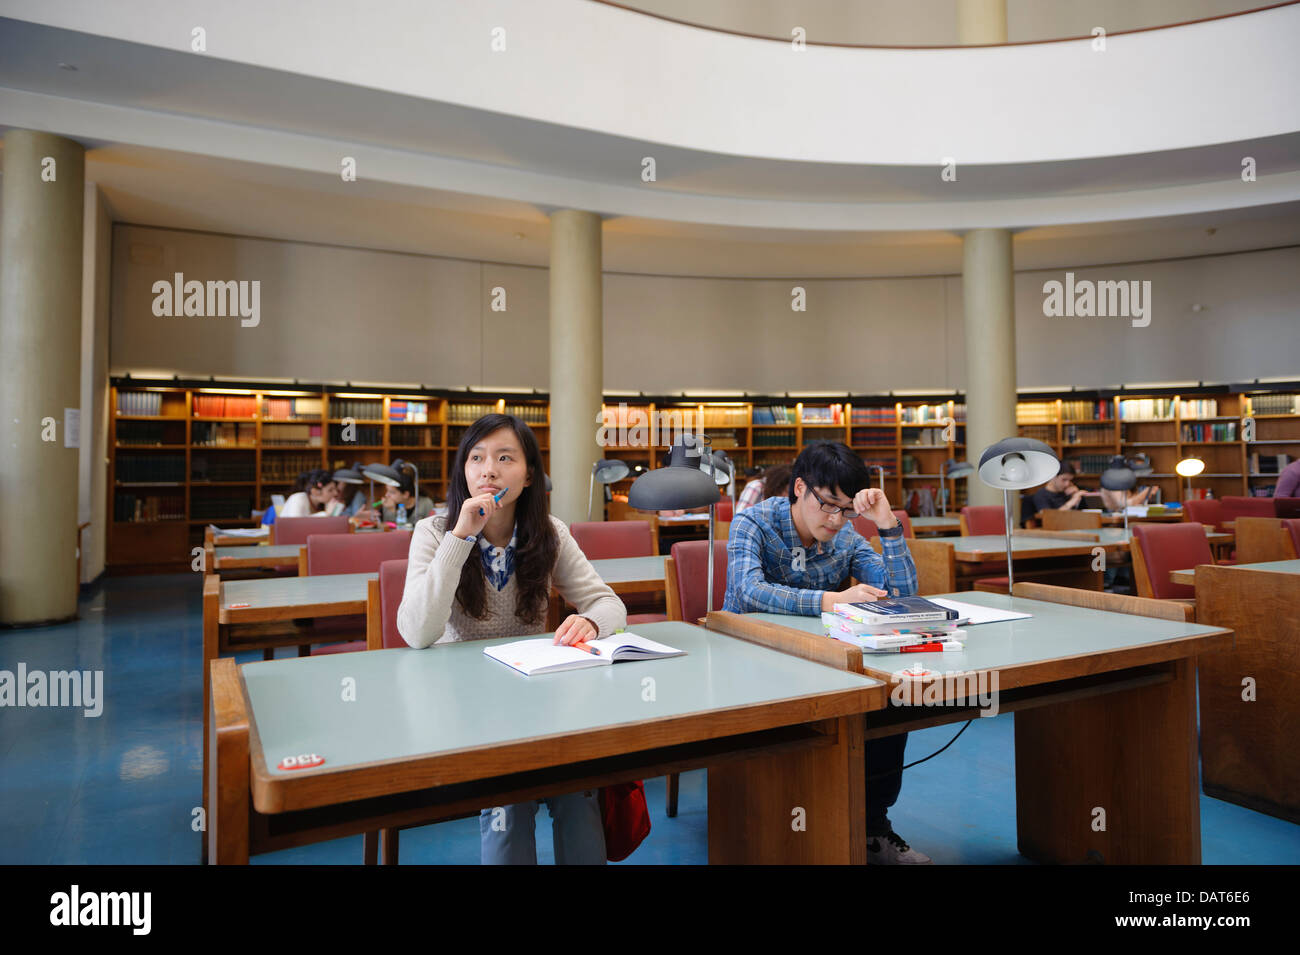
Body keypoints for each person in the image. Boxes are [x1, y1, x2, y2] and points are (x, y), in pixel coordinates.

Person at [398, 413, 626, 865]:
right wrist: (460, 536)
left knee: (579, 791)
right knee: (509, 801)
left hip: (535, 698)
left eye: (505, 458)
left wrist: (593, 624)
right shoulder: (432, 532)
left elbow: (609, 604)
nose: (488, 470)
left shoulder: (550, 533)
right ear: (463, 472)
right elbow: (416, 632)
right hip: (462, 704)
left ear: (529, 475)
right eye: (476, 458)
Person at [723, 441, 929, 865]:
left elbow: (905, 594)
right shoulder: (751, 523)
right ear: (799, 487)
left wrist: (886, 524)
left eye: (846, 509)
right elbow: (749, 590)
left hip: (825, 658)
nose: (836, 520)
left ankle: (872, 826)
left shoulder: (847, 535)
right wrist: (831, 601)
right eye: (828, 505)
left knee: (893, 700)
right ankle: (787, 828)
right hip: (750, 660)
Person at [357, 460, 435, 526]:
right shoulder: (388, 505)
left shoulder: (426, 504)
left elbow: (409, 533)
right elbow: (385, 529)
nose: (387, 495)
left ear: (406, 494)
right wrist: (359, 518)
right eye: (387, 490)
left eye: (392, 492)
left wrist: (393, 511)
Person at [1021, 462, 1085, 527]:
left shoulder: (1067, 493)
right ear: (1053, 477)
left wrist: (1077, 499)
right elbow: (1049, 518)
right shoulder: (1041, 495)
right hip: (1052, 532)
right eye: (1064, 480)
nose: (1067, 484)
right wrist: (1071, 502)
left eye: (1070, 480)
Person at [278, 468, 343, 518]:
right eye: (330, 490)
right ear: (314, 492)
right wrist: (326, 514)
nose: (336, 493)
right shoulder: (298, 498)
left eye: (335, 489)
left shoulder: (322, 505)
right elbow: (297, 524)